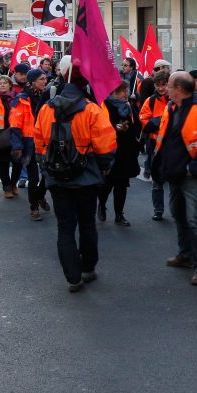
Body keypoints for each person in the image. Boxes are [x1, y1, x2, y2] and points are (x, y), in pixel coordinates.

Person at [33, 62, 117, 292]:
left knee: (65, 227)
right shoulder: (91, 109)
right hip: (86, 173)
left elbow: (38, 140)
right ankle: (88, 268)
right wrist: (105, 166)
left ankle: (72, 277)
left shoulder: (47, 108)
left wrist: (45, 166)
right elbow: (106, 144)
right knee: (87, 223)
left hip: (57, 175)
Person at [152, 71, 197, 286]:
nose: (166, 89)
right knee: (178, 215)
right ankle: (185, 255)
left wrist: (194, 169)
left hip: (191, 175)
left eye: (170, 86)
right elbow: (165, 139)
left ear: (180, 90)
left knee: (195, 220)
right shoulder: (172, 107)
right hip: (174, 173)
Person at [99, 82, 140, 225]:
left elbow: (137, 124)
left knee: (122, 185)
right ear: (114, 92)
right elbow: (102, 126)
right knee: (107, 184)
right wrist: (115, 128)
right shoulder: (105, 105)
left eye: (127, 91)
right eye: (123, 91)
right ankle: (102, 206)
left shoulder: (128, 106)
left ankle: (119, 215)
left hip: (125, 151)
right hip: (111, 151)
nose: (126, 94)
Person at [0, 75, 30, 199]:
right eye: (0, 83)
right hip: (0, 135)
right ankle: (6, 187)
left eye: (5, 83)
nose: (2, 85)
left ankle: (13, 183)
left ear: (10, 85)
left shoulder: (18, 98)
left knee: (17, 162)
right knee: (3, 163)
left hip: (16, 134)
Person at [139, 71, 169, 219]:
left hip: (172, 144)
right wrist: (161, 121)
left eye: (164, 85)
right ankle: (158, 210)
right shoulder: (150, 101)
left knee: (175, 180)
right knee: (157, 181)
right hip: (155, 144)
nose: (161, 88)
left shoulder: (176, 100)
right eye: (158, 85)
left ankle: (177, 209)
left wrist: (157, 121)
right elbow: (145, 122)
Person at [24, 68, 51, 220]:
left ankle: (40, 195)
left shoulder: (47, 95)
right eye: (41, 79)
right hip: (29, 141)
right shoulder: (23, 97)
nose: (44, 81)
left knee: (47, 173)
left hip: (43, 140)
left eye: (44, 78)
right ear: (32, 82)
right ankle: (34, 207)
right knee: (33, 177)